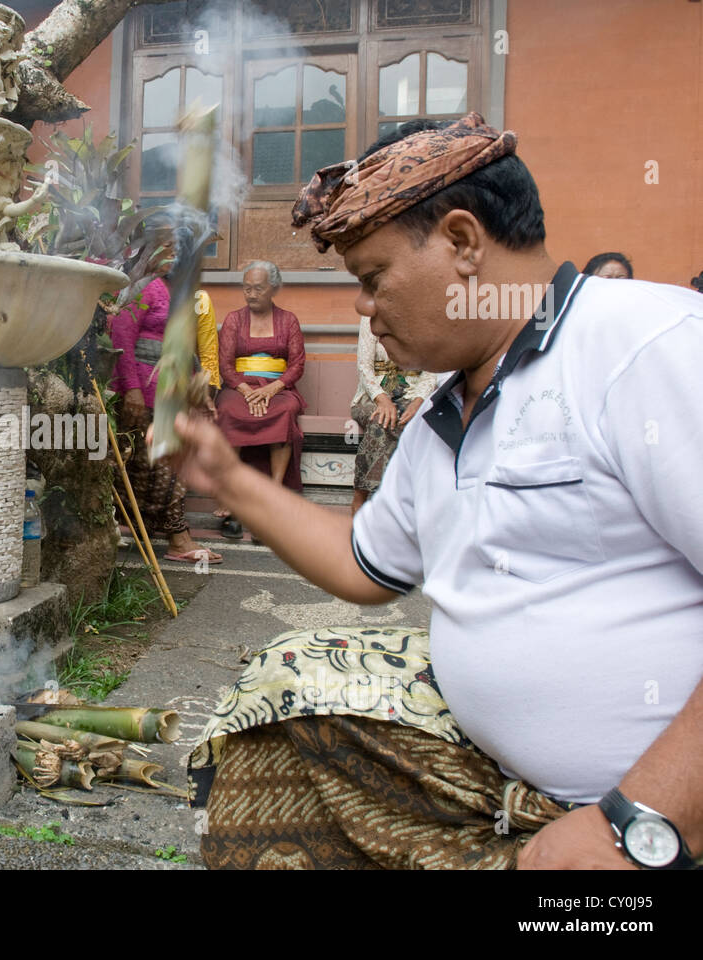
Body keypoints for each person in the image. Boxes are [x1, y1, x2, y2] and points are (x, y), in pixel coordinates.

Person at [172, 113, 703, 870]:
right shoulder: (443, 417)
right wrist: (226, 477)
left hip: (651, 821)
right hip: (508, 780)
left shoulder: (648, 350)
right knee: (283, 692)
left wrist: (641, 824)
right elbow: (363, 564)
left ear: (461, 241)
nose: (362, 307)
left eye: (372, 279)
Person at [110, 254, 221, 565]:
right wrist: (130, 389)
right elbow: (121, 335)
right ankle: (175, 537)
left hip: (174, 397)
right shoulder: (145, 288)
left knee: (172, 469)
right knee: (149, 469)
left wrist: (202, 391)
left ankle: (176, 537)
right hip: (144, 394)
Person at [213, 262, 305, 539]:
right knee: (228, 411)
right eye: (246, 288)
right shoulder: (233, 319)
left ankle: (274, 494)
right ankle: (229, 498)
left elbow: (297, 365)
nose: (251, 294)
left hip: (277, 388)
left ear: (273, 288)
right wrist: (247, 391)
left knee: (286, 409)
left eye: (258, 288)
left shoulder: (288, 320)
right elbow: (225, 365)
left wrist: (271, 390)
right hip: (240, 386)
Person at [348, 316, 437, 513]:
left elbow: (433, 368)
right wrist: (382, 399)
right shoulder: (372, 316)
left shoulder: (427, 313)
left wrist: (419, 400)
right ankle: (361, 496)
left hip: (412, 393)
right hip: (372, 395)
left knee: (408, 420)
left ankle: (391, 498)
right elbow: (364, 366)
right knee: (382, 419)